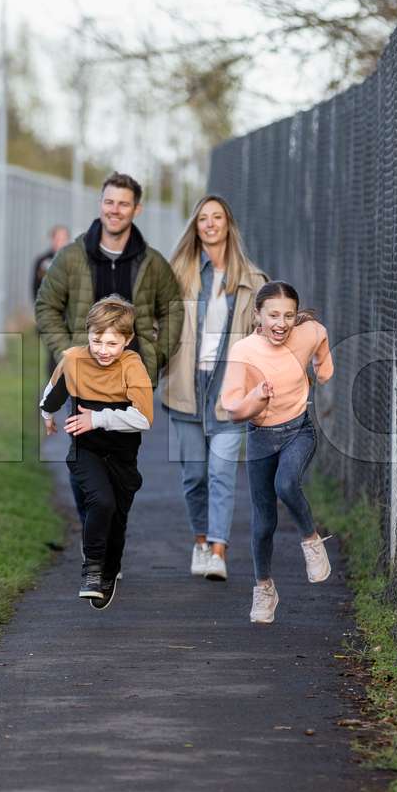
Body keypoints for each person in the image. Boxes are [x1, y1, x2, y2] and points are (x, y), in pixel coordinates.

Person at [162, 195, 268, 582]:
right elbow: (155, 325)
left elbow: (269, 331)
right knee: (195, 474)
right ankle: (202, 541)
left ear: (228, 224)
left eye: (217, 217)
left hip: (230, 389)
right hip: (186, 385)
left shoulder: (252, 280)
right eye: (203, 218)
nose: (209, 224)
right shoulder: (176, 274)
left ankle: (219, 550)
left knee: (222, 470)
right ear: (195, 226)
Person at [220, 281, 335, 624]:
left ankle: (311, 540)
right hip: (259, 438)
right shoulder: (243, 351)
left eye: (288, 315)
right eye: (273, 315)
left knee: (287, 484)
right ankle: (264, 586)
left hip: (299, 431)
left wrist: (322, 368)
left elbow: (321, 335)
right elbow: (232, 408)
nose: (281, 323)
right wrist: (254, 398)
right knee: (263, 522)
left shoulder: (307, 332)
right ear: (258, 315)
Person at [39, 296, 154, 610]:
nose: (103, 350)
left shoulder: (133, 367)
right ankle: (91, 571)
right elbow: (54, 389)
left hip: (122, 458)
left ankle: (108, 571)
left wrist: (97, 417)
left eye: (112, 343)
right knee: (100, 501)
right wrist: (47, 415)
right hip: (85, 451)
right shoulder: (75, 360)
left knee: (116, 519)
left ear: (127, 341)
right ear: (87, 334)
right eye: (97, 340)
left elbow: (143, 418)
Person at [34, 172, 183, 387]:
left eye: (123, 204)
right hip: (82, 382)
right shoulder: (71, 256)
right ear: (100, 204)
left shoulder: (153, 262)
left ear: (136, 209)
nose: (114, 210)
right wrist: (67, 354)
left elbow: (173, 309)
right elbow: (46, 306)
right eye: (109, 202)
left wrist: (156, 355)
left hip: (132, 384)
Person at [32, 225, 70, 375]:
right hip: (50, 316)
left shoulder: (74, 261)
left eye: (64, 238)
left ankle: (67, 388)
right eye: (57, 238)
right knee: (53, 353)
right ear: (52, 239)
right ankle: (52, 387)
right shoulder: (43, 261)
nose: (60, 242)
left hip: (68, 317)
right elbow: (35, 289)